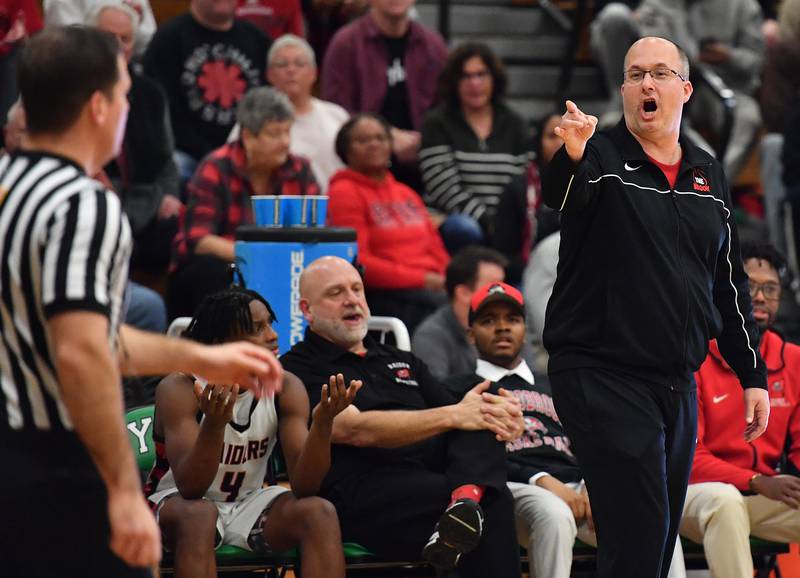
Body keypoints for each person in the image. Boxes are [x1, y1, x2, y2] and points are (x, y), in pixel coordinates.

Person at [0, 26, 283, 578]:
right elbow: (82, 353)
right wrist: (123, 489)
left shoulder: (8, 188)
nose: (131, 109)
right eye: (126, 94)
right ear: (99, 106)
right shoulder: (83, 203)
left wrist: (200, 358)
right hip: (53, 462)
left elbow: (77, 326)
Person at [541, 36, 769, 578]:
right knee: (640, 533)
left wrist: (751, 373)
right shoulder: (598, 157)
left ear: (685, 90)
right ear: (622, 89)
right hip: (601, 373)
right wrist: (570, 155)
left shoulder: (708, 175)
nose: (647, 83)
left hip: (675, 382)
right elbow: (562, 200)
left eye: (661, 74)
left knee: (654, 537)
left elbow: (728, 284)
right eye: (635, 74)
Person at [280, 255, 525, 577]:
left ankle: (466, 499)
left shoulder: (400, 358)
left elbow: (462, 411)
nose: (352, 300)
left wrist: (504, 415)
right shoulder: (299, 366)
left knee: (484, 406)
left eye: (357, 289)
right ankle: (464, 505)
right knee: (492, 505)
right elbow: (352, 429)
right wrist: (455, 414)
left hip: (429, 477)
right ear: (307, 310)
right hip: (363, 491)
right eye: (336, 293)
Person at [444, 282, 688, 578]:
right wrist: (542, 479)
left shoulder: (554, 383)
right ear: (470, 334)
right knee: (555, 515)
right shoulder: (459, 389)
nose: (502, 328)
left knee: (655, 521)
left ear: (525, 328)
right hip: (511, 487)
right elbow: (469, 456)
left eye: (512, 319)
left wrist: (592, 482)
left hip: (578, 486)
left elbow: (593, 438)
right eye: (488, 320)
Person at [146, 288, 359, 578]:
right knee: (199, 515)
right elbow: (191, 487)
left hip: (246, 504)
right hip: (177, 507)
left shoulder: (286, 386)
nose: (272, 335)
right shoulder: (180, 388)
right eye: (256, 328)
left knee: (319, 512)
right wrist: (213, 424)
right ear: (222, 343)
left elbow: (306, 486)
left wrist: (322, 425)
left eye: (271, 323)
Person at [680, 241, 800, 578]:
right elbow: (689, 458)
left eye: (771, 288)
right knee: (726, 503)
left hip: (762, 498)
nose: (760, 297)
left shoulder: (794, 360)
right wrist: (756, 480)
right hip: (700, 496)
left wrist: (771, 483)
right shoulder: (696, 357)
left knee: (735, 507)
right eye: (751, 286)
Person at [170, 86, 319, 319]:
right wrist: (260, 257)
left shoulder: (300, 169)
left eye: (288, 132)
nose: (285, 142)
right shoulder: (216, 167)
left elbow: (317, 232)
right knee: (211, 272)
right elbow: (198, 239)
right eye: (275, 134)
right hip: (226, 266)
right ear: (248, 136)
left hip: (288, 266)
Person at [590, 0, 765, 182]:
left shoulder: (744, 5)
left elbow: (755, 62)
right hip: (668, 84)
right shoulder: (663, 3)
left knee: (748, 117)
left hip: (720, 86)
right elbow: (651, 49)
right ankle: (621, 107)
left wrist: (728, 56)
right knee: (616, 16)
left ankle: (713, 187)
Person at [327, 113, 449, 334]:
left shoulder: (406, 192)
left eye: (380, 138)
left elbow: (435, 247)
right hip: (388, 294)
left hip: (429, 288)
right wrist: (422, 279)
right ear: (346, 151)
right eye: (363, 140)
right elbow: (359, 261)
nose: (374, 144)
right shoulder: (343, 192)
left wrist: (449, 278)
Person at [91, 0, 182, 278]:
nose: (117, 46)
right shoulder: (71, 89)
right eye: (108, 38)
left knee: (182, 232)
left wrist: (169, 196)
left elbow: (167, 160)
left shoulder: (151, 93)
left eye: (125, 39)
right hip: (96, 200)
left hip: (146, 203)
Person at [419, 42, 532, 251]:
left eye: (481, 74)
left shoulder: (516, 124)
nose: (475, 83)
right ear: (453, 82)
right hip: (456, 222)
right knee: (464, 227)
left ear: (494, 78)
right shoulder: (437, 123)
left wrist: (505, 222)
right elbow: (444, 188)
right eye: (465, 76)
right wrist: (489, 222)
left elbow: (525, 179)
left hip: (506, 223)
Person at [142, 0, 269, 177]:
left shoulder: (258, 40)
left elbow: (268, 106)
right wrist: (213, 156)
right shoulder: (168, 39)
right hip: (188, 156)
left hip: (248, 154)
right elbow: (162, 113)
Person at [321, 0, 447, 178]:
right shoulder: (346, 43)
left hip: (424, 164)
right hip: (362, 167)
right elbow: (335, 111)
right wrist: (386, 137)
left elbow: (446, 108)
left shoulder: (433, 45)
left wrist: (423, 139)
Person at [230, 34, 348, 192]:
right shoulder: (253, 120)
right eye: (281, 64)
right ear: (269, 75)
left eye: (300, 64)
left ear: (314, 73)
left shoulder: (337, 115)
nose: (291, 70)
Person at [494, 112, 564, 284]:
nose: (561, 142)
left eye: (569, 134)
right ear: (538, 142)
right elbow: (504, 252)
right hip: (529, 275)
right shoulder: (518, 188)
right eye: (552, 136)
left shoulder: (598, 183)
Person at [44, 0, 155, 56]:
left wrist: (135, 21)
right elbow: (69, 44)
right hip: (82, 72)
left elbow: (149, 41)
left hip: (130, 68)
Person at [235, 0, 304, 41]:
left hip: (275, 59)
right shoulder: (228, 3)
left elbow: (297, 42)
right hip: (235, 57)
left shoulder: (289, 2)